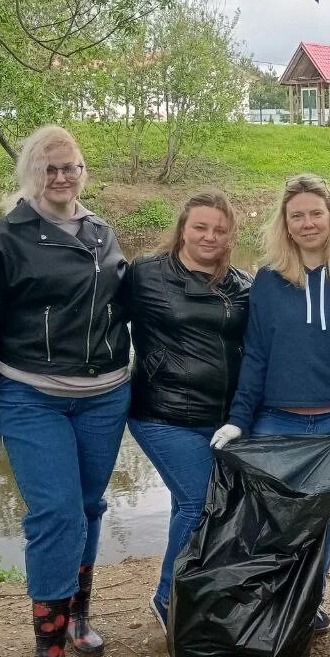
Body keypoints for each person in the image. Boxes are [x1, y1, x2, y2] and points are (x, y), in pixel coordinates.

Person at [0, 125, 130, 657]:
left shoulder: (102, 232)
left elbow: (122, 307)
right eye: (50, 168)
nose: (62, 178)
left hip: (105, 396)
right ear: (31, 174)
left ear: (84, 171)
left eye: (71, 167)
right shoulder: (2, 241)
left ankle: (79, 617)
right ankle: (47, 645)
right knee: (55, 512)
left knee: (87, 506)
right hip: (31, 396)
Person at [212, 174, 330, 633]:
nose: (307, 223)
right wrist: (238, 420)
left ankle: (309, 602)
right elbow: (257, 356)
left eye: (316, 213)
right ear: (285, 225)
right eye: (297, 216)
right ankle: (272, 603)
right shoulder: (268, 283)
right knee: (271, 521)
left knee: (323, 520)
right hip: (274, 424)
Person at [126, 190, 251, 629]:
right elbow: (94, 316)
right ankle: (168, 597)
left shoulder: (242, 285)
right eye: (200, 226)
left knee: (213, 506)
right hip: (162, 414)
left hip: (223, 420)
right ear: (183, 227)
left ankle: (204, 589)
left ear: (231, 235)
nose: (209, 236)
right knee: (198, 502)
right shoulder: (145, 275)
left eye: (219, 229)